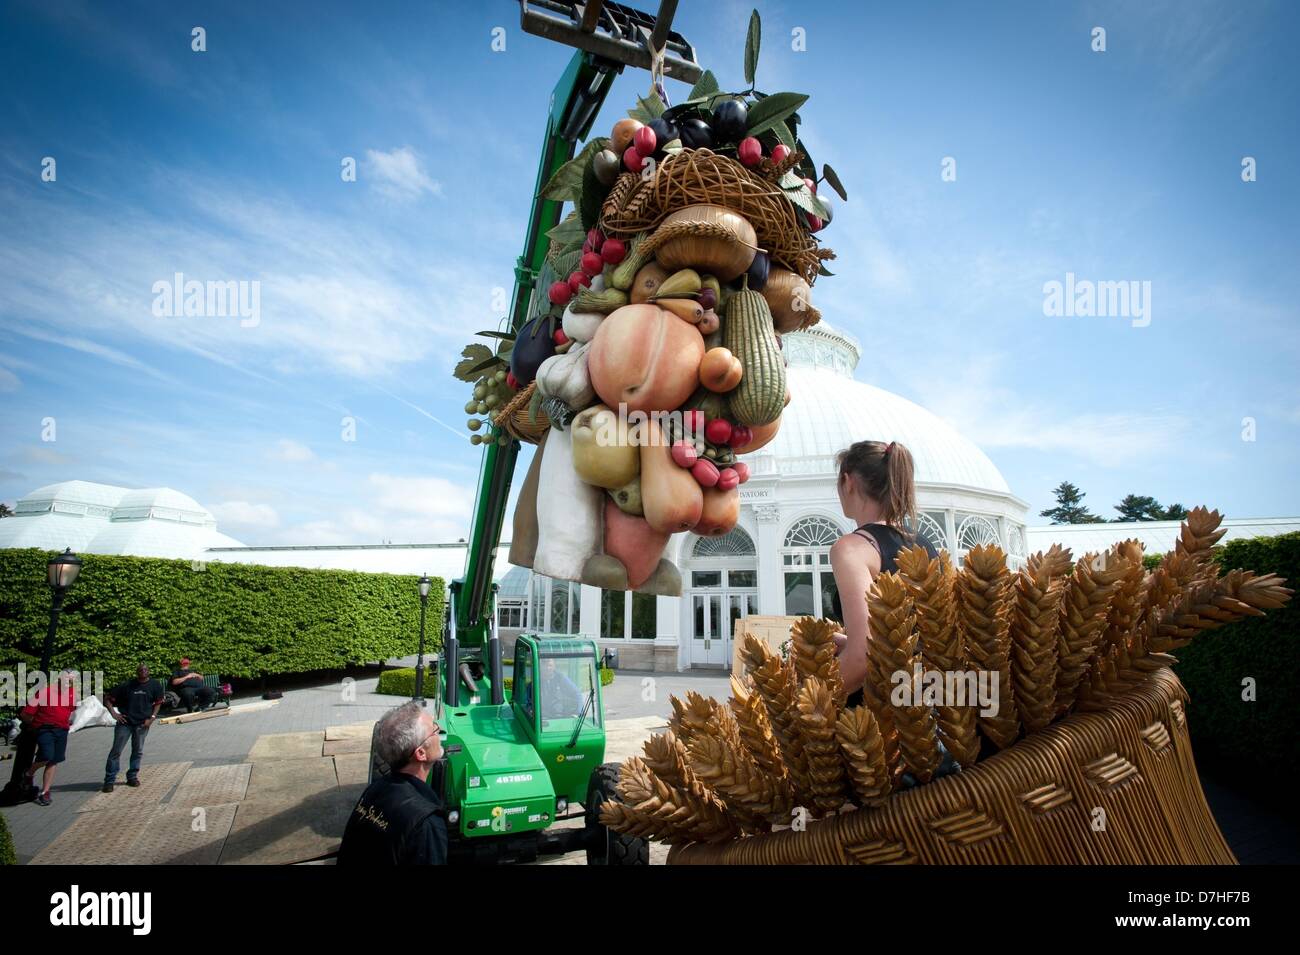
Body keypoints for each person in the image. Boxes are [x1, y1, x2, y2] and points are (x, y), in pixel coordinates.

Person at [829, 440, 938, 703]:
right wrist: (849, 639)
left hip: (878, 720)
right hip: (928, 705)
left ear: (848, 482)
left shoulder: (853, 548)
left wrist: (800, 707)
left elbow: (861, 657)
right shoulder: (924, 544)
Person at [338, 701, 447, 865]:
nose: (440, 733)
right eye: (435, 730)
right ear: (421, 753)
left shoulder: (374, 790)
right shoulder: (425, 823)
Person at [19, 669, 78, 806]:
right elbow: (26, 713)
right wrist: (34, 725)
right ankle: (28, 773)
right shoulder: (45, 691)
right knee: (46, 756)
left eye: (71, 681)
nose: (68, 683)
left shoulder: (72, 693)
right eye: (66, 679)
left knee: (53, 760)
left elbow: (70, 709)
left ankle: (45, 792)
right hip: (45, 728)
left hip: (62, 730)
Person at [102, 664, 164, 793]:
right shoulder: (127, 685)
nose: (143, 671)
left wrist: (152, 718)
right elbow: (107, 699)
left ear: (149, 672)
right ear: (137, 672)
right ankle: (109, 780)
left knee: (137, 751)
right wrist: (114, 714)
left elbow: (158, 702)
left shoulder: (155, 685)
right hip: (125, 722)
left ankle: (132, 776)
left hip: (142, 723)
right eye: (141, 670)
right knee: (116, 751)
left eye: (146, 669)